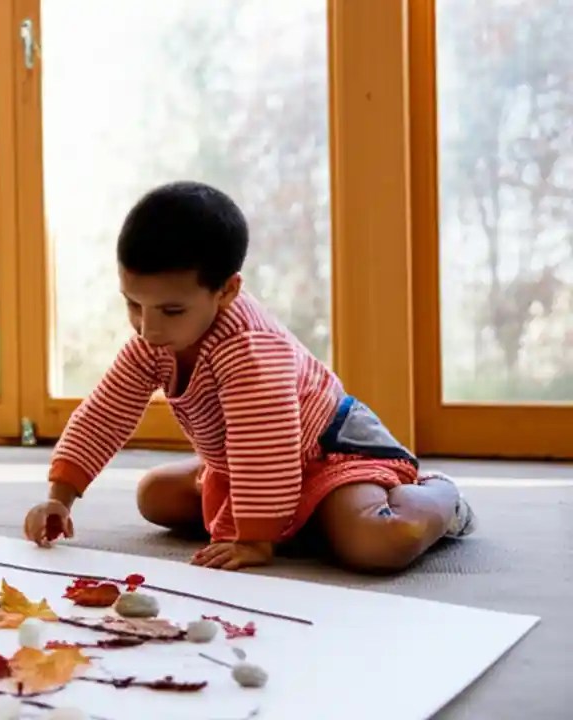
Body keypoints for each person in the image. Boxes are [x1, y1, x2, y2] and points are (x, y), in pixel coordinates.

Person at [23, 181, 475, 574]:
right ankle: (301, 522)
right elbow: (105, 413)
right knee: (155, 496)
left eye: (171, 310)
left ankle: (441, 496)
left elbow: (267, 439)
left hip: (326, 454)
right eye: (133, 304)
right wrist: (60, 497)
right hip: (252, 464)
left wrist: (255, 539)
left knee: (382, 542)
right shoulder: (154, 340)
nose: (148, 328)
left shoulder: (249, 347)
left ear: (227, 291)